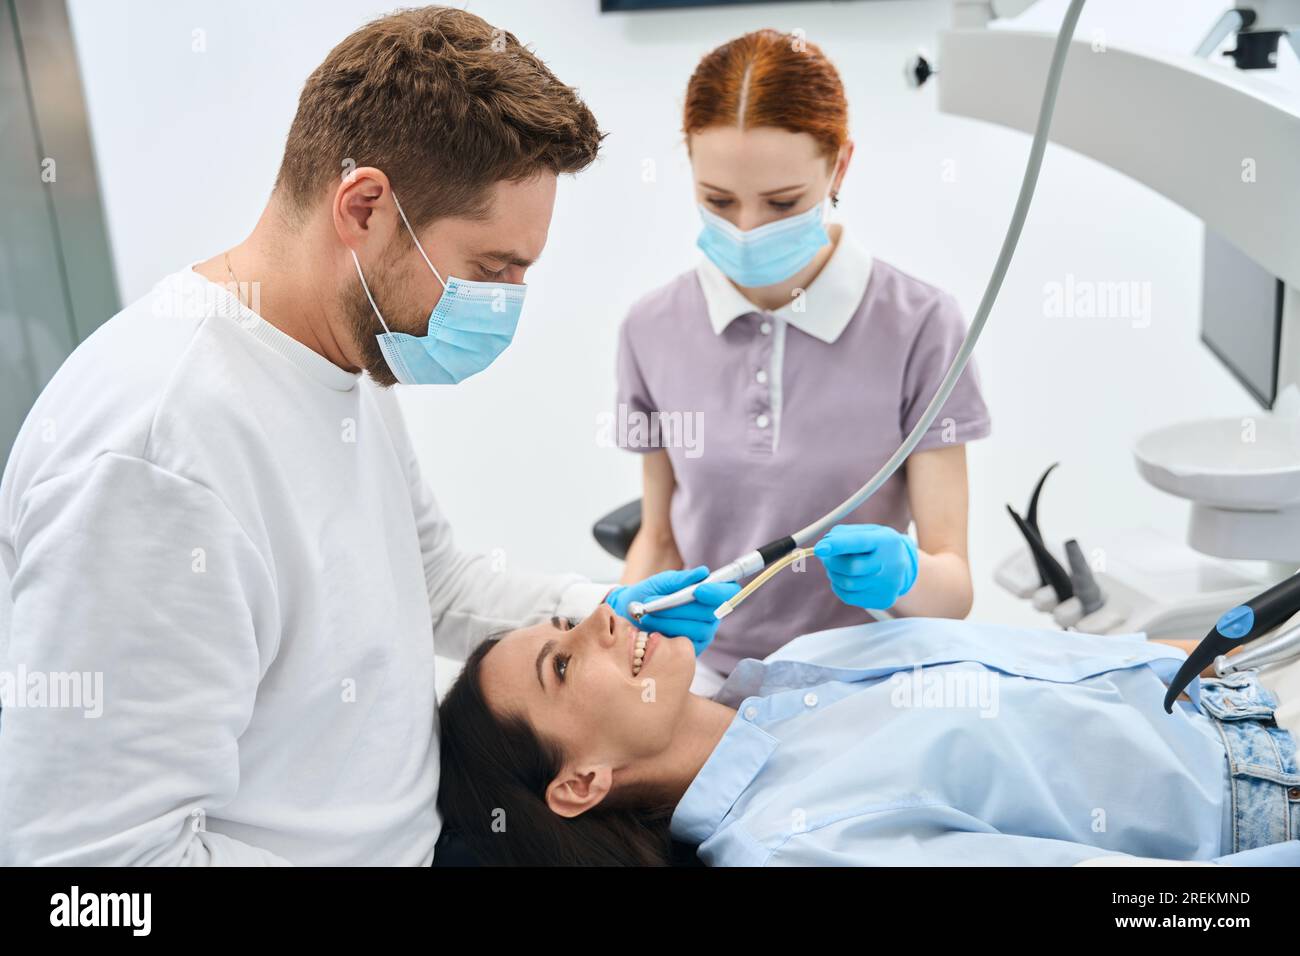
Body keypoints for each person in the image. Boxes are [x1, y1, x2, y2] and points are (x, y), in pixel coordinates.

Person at [0, 6, 736, 866]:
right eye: (491, 270)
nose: (505, 303)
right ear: (365, 206)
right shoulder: (160, 454)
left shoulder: (343, 352)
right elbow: (94, 864)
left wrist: (599, 611)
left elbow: (428, 579)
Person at [616, 30, 991, 692]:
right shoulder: (651, 328)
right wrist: (631, 618)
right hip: (709, 681)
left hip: (869, 681)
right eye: (719, 201)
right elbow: (659, 537)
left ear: (839, 168)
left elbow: (952, 589)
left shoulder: (922, 325)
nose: (748, 229)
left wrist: (907, 575)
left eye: (782, 203)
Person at [437, 604, 1300, 866]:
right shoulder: (793, 848)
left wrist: (1181, 662)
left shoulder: (795, 670)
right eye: (561, 664)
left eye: (562, 620)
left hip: (1246, 694)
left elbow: (1047, 669)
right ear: (580, 781)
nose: (596, 616)